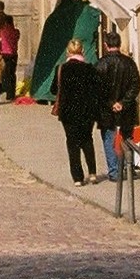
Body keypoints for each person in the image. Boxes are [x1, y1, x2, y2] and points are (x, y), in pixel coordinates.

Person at [52, 37, 99, 186]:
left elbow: (54, 90)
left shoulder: (61, 69)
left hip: (68, 112)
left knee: (72, 143)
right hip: (87, 112)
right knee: (87, 140)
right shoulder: (90, 69)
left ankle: (78, 177)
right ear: (82, 51)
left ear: (67, 52)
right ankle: (92, 173)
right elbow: (97, 90)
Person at [95, 29, 140, 181]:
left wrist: (111, 104)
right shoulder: (129, 63)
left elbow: (97, 89)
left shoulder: (101, 64)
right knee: (128, 138)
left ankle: (114, 171)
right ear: (119, 44)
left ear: (106, 45)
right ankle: (129, 167)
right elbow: (136, 85)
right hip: (126, 109)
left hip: (106, 110)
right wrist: (123, 102)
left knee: (109, 138)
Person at [0, 14, 19, 101]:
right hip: (13, 53)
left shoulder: (1, 31)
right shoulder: (16, 31)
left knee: (5, 73)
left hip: (4, 53)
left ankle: (7, 91)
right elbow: (17, 39)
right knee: (12, 73)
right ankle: (12, 93)